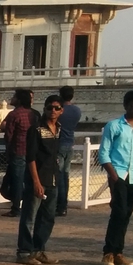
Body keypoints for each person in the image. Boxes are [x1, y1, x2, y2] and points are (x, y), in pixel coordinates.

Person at [97, 89, 133, 265]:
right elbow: (104, 153)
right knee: (118, 213)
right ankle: (108, 253)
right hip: (119, 174)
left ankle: (118, 252)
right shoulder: (114, 126)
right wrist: (114, 177)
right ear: (126, 105)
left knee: (125, 215)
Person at [17, 95, 63, 265]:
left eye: (57, 108)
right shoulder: (36, 129)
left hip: (52, 179)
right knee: (30, 217)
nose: (53, 111)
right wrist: (36, 182)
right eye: (50, 107)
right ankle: (24, 251)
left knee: (47, 217)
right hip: (37, 178)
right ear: (44, 109)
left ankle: (38, 249)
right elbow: (31, 158)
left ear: (61, 110)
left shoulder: (58, 128)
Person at [0, 90, 38, 217]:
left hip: (17, 150)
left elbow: (9, 135)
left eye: (14, 97)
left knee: (17, 180)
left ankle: (16, 207)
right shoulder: (32, 114)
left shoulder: (14, 114)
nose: (12, 98)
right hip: (31, 151)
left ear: (19, 100)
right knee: (27, 179)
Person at [55, 85, 82, 216]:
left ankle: (60, 205)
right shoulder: (77, 110)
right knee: (65, 175)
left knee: (59, 175)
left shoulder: (60, 110)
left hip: (59, 143)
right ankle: (64, 203)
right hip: (70, 143)